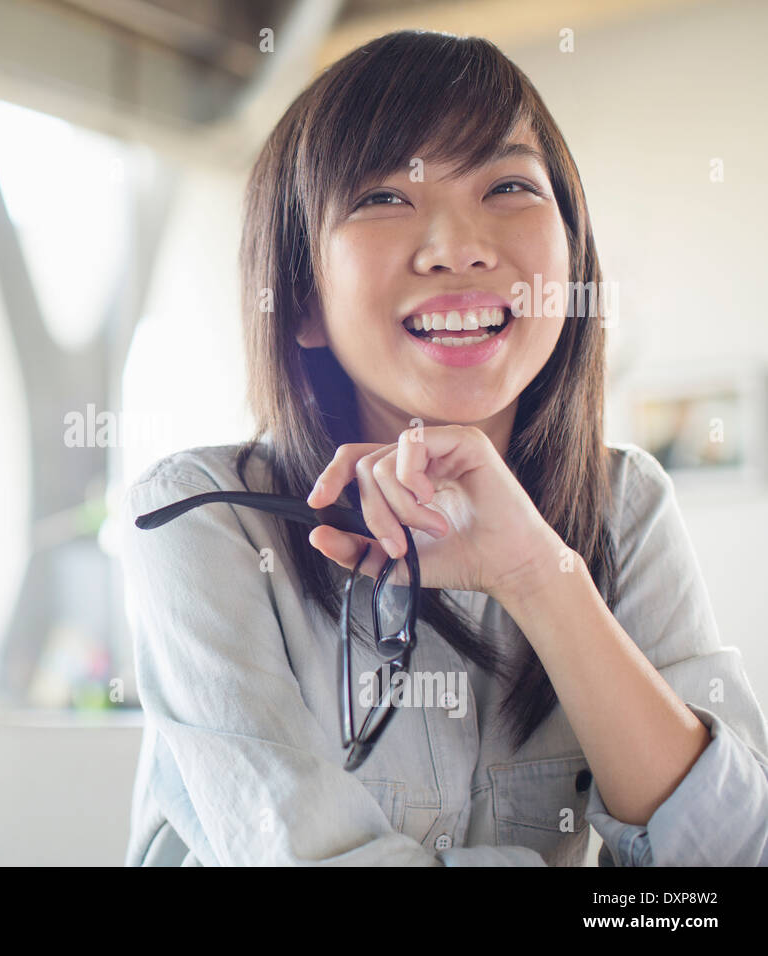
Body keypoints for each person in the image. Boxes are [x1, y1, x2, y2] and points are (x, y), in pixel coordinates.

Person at [120, 29, 768, 866]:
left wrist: (539, 576)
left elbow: (735, 853)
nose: (460, 248)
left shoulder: (625, 506)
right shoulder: (202, 519)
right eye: (383, 198)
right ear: (304, 301)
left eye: (507, 185)